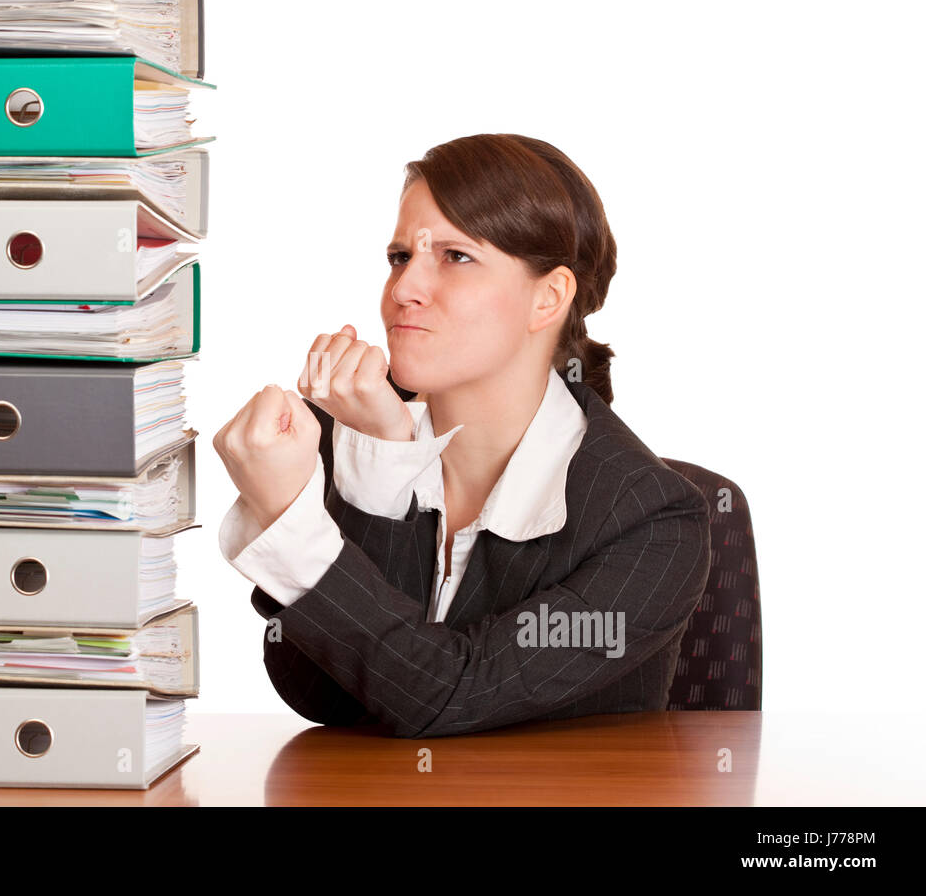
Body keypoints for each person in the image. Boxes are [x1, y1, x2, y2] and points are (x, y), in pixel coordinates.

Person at [213, 133, 711, 739]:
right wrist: (378, 468)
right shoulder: (355, 443)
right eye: (401, 257)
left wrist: (287, 518)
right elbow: (329, 697)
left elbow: (451, 696)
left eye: (455, 257)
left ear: (547, 298)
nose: (403, 291)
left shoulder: (652, 520)